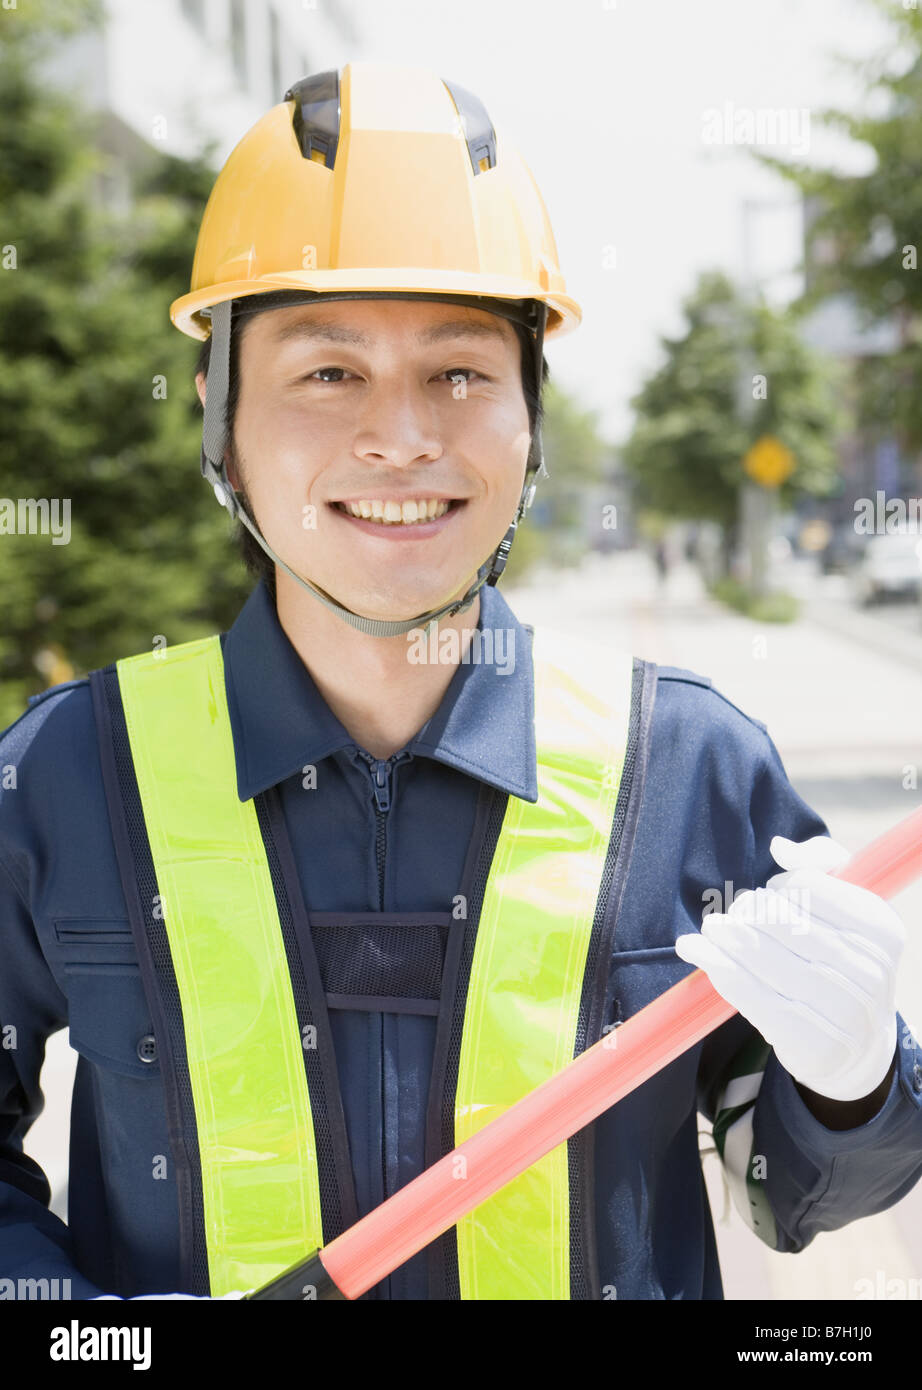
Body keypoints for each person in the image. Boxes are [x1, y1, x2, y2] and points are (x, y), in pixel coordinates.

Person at [1, 61, 920, 1304]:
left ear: (529, 425)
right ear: (217, 423)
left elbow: (791, 1188)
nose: (403, 436)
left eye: (460, 372)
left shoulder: (683, 765)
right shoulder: (66, 775)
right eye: (328, 371)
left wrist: (853, 1084)